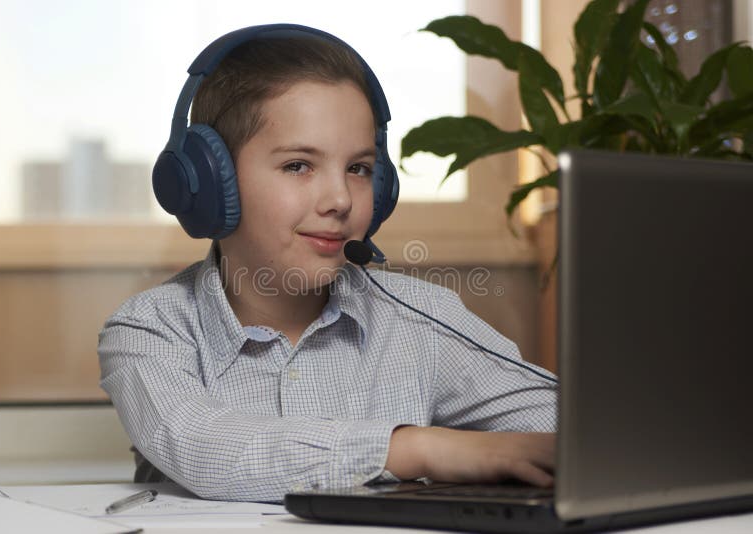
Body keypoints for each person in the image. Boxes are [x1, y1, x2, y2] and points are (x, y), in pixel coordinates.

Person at [98, 24, 557, 504]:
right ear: (211, 184)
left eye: (359, 169)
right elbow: (204, 446)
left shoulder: (422, 319)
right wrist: (416, 448)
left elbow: (569, 427)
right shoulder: (149, 330)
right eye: (299, 165)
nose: (340, 199)